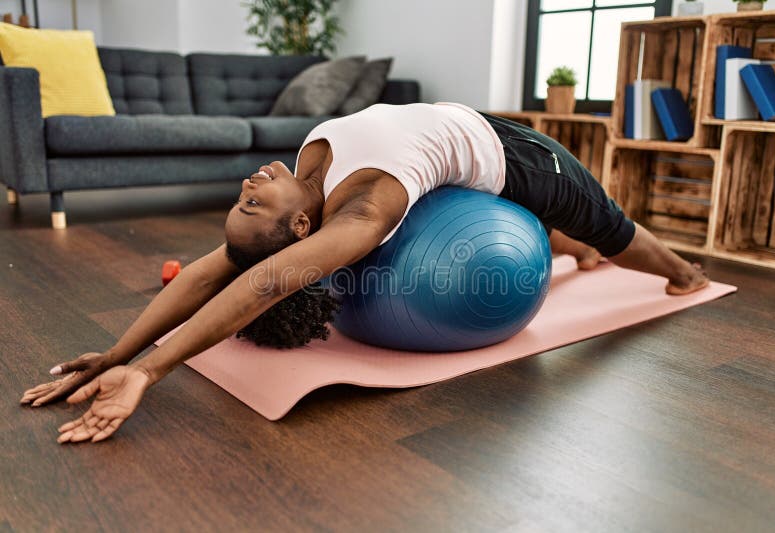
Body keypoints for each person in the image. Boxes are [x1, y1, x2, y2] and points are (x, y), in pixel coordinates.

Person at [20, 102, 709, 444]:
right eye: (252, 200)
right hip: (522, 163)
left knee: (588, 235)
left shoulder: (305, 189)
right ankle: (683, 272)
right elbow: (253, 282)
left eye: (242, 197)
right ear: (297, 232)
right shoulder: (359, 216)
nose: (249, 179)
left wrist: (117, 352)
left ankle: (580, 251)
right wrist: (143, 370)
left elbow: (207, 271)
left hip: (484, 136)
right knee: (614, 228)